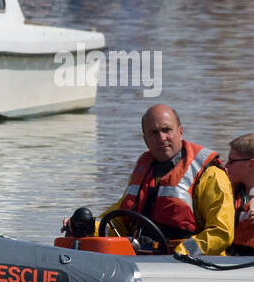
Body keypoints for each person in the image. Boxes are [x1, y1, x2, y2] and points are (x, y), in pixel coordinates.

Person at [100, 104, 234, 256]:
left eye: (166, 130)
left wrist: (181, 253)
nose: (161, 138)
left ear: (180, 132)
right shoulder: (143, 171)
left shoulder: (210, 174)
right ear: (145, 140)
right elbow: (119, 217)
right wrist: (90, 225)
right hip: (145, 257)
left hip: (191, 263)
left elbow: (221, 232)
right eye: (154, 133)